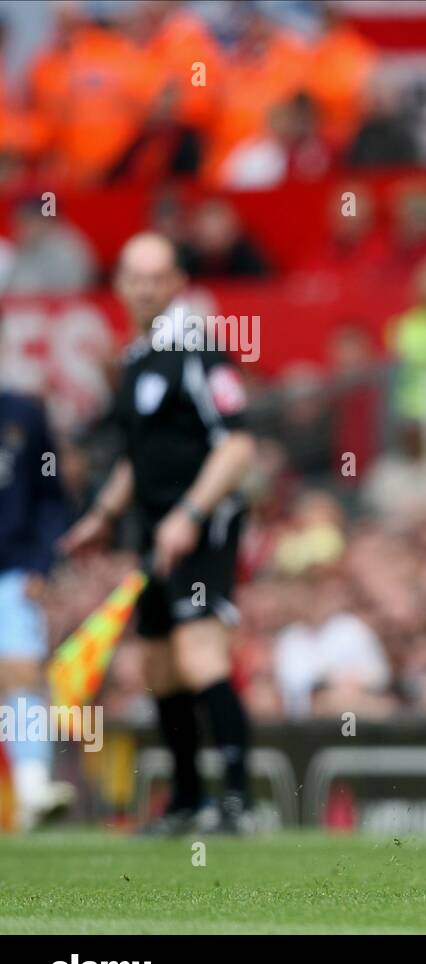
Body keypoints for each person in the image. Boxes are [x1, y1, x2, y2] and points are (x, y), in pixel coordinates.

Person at [61, 233, 257, 835]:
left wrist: (190, 514)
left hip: (201, 524)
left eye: (157, 277)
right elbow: (138, 457)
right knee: (158, 665)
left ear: (176, 283)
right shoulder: (134, 359)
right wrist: (102, 515)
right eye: (135, 277)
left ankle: (237, 803)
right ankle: (187, 802)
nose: (145, 288)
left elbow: (238, 444)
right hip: (153, 530)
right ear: (120, 285)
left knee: (200, 652)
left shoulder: (198, 349)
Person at [0, 389, 74, 829]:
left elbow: (50, 495)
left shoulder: (23, 415)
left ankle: (33, 789)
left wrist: (41, 561)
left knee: (22, 669)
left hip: (13, 569)